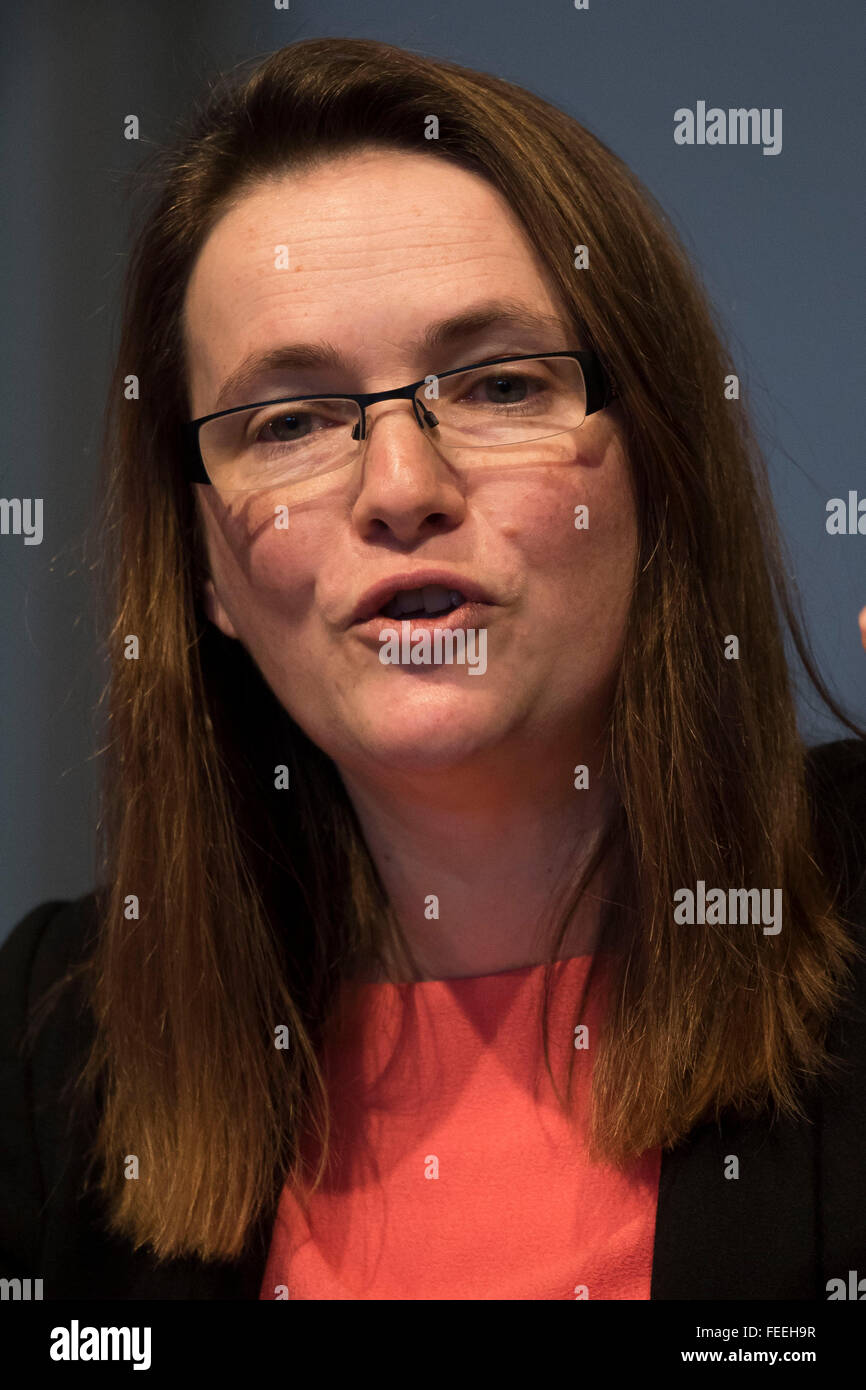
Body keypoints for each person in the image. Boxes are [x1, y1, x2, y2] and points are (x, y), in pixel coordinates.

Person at [1, 36, 865, 1302]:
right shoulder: (53, 1053)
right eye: (287, 422)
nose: (400, 489)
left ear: (659, 472)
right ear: (204, 570)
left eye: (498, 385)